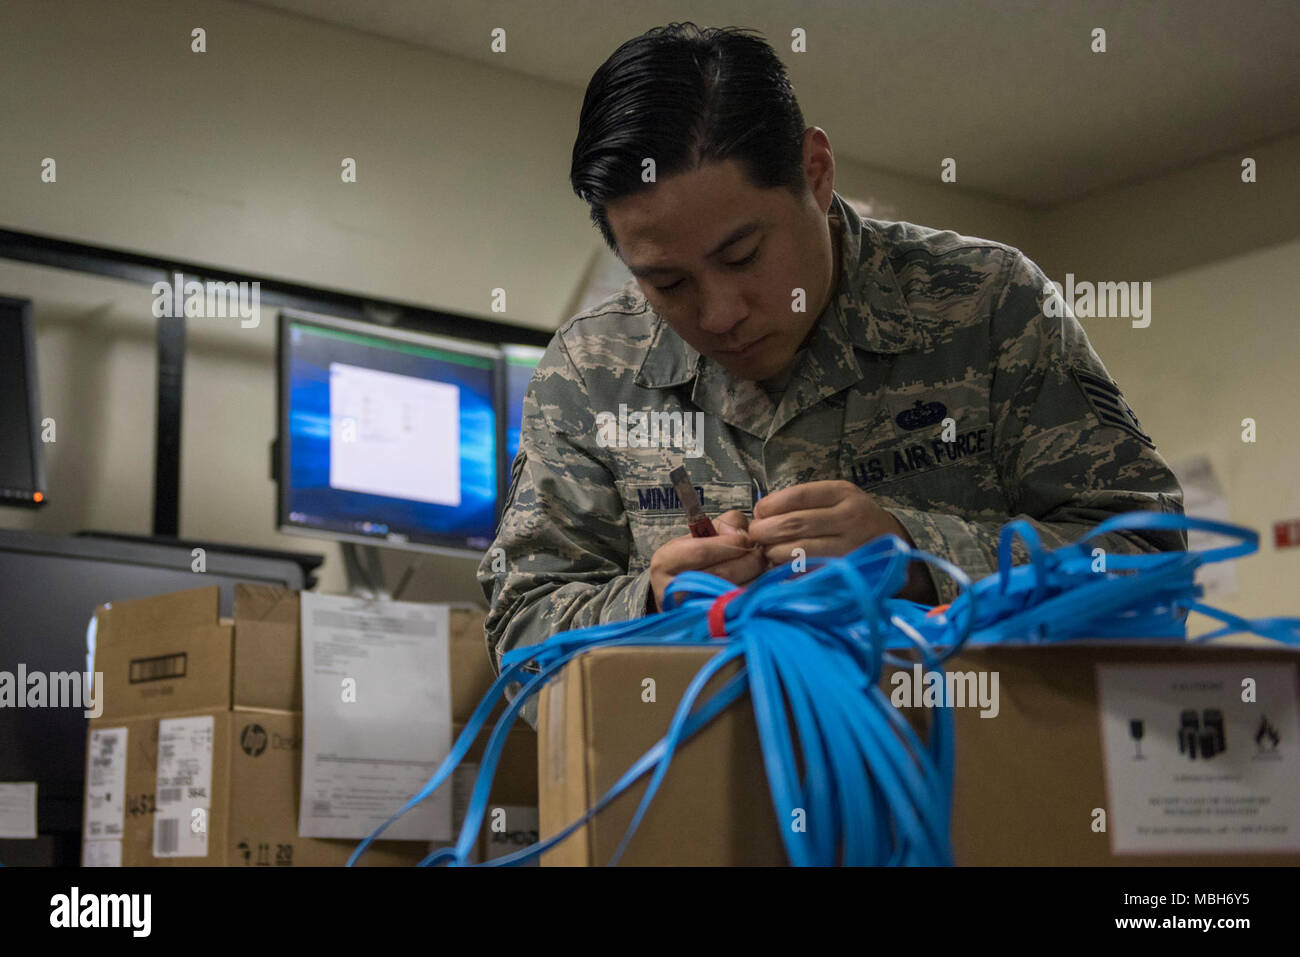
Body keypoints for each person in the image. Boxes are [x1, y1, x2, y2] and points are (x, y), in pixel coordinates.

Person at [477, 23, 1185, 728]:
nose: (720, 313)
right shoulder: (592, 372)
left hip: (972, 799)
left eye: (744, 254)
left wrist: (915, 554)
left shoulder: (986, 303)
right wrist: (656, 602)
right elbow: (525, 642)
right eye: (667, 281)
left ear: (815, 174)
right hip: (699, 813)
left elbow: (1149, 565)